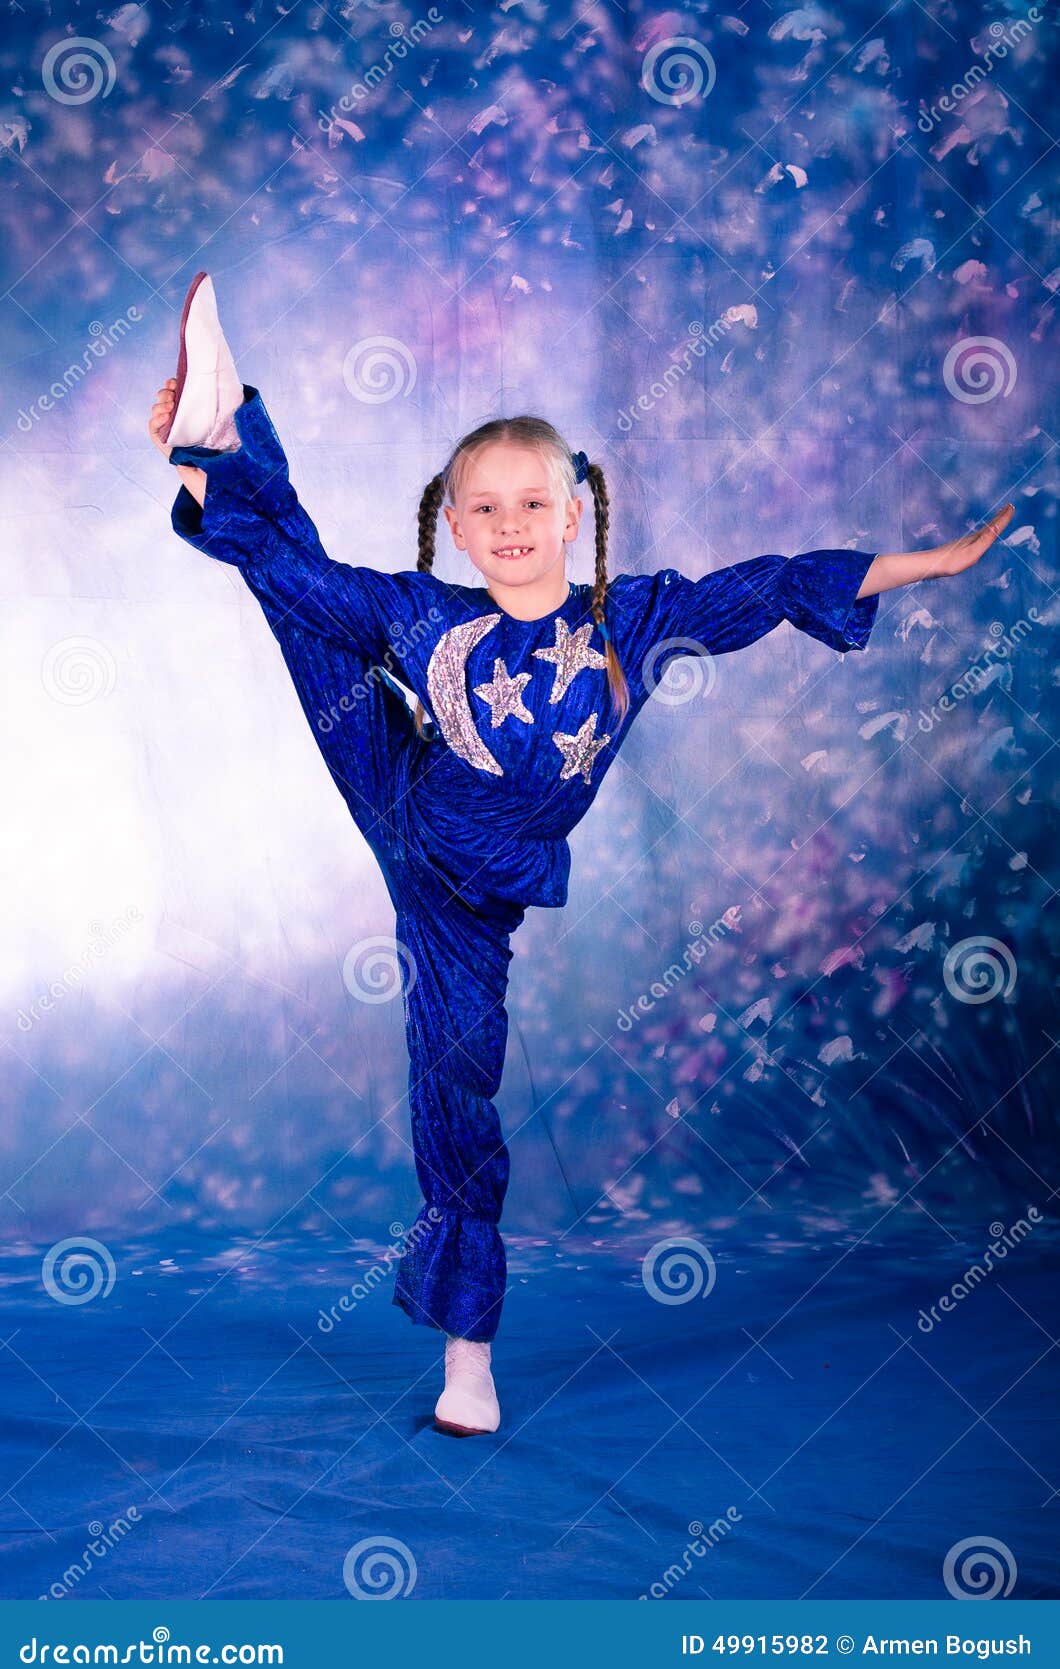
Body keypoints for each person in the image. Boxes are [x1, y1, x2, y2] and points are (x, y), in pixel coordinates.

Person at [150, 272, 1015, 1435]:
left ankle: (468, 1345)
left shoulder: (632, 621)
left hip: (471, 900)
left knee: (460, 1079)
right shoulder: (427, 615)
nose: (509, 527)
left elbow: (763, 586)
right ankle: (216, 438)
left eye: (530, 505)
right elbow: (302, 577)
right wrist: (205, 476)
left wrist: (929, 566)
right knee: (308, 607)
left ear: (573, 514)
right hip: (400, 796)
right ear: (453, 524)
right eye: (484, 510)